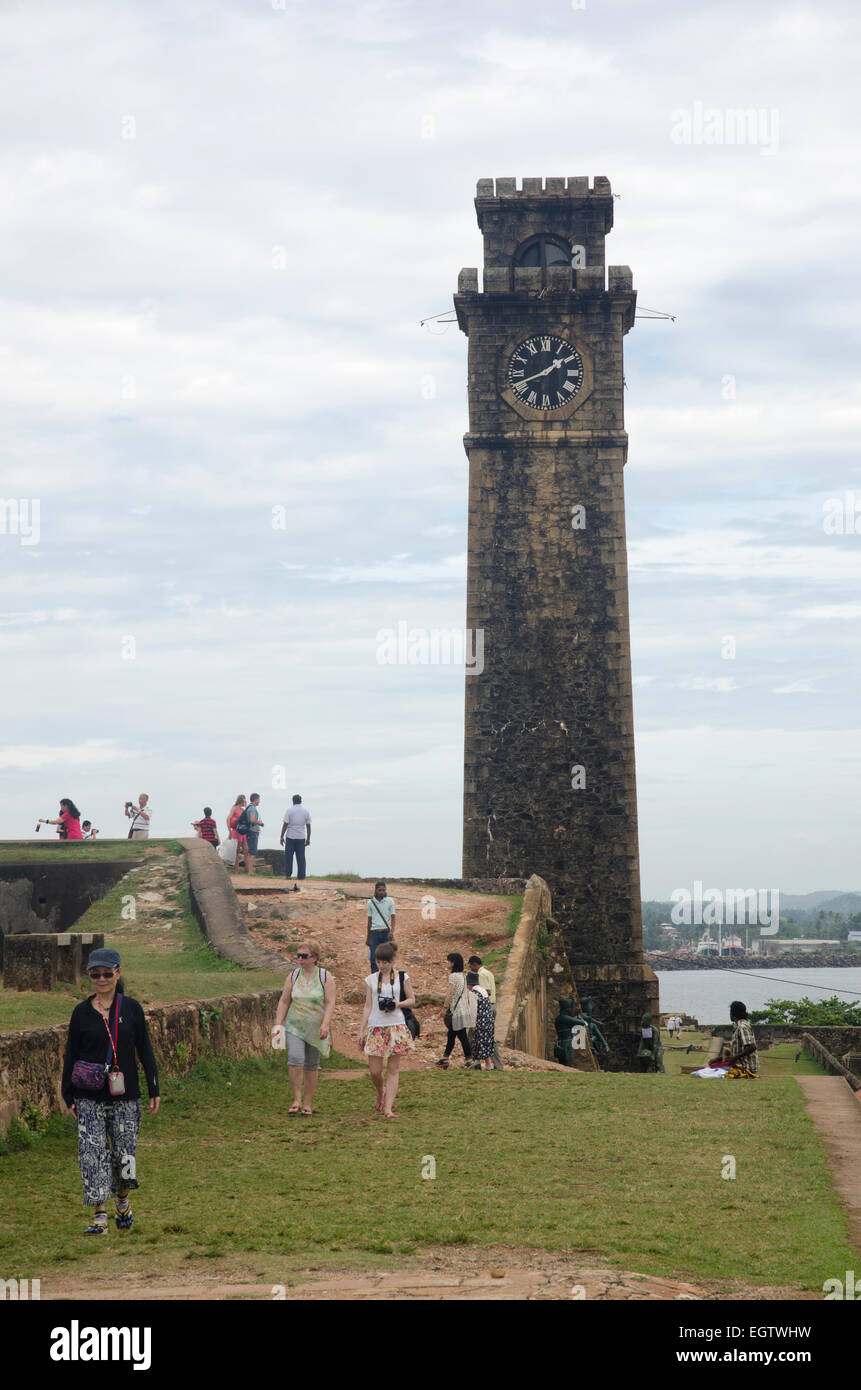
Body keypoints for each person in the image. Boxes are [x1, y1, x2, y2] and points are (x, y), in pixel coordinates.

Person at [61, 948, 160, 1234]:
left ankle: (123, 1199)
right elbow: (71, 1055)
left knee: (124, 1154)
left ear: (118, 972)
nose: (101, 979)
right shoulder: (81, 1012)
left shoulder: (131, 1009)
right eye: (96, 974)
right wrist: (68, 1094)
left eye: (107, 973)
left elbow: (145, 1050)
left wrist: (153, 1087)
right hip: (88, 1095)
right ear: (89, 976)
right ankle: (100, 1215)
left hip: (125, 1096)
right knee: (93, 1154)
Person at [272, 940, 335, 1116]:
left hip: (316, 1028)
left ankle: (307, 1102)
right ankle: (296, 1099)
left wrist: (325, 1024)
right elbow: (284, 1000)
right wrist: (278, 1023)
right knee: (295, 1058)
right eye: (298, 955)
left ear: (314, 958)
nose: (300, 959)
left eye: (304, 956)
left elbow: (330, 1002)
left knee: (311, 1065)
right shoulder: (293, 976)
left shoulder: (324, 976)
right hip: (295, 1026)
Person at [358, 941, 415, 1118]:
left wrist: (398, 1003)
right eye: (379, 962)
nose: (382, 966)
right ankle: (380, 1091)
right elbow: (368, 1005)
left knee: (393, 1069)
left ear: (392, 961)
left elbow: (412, 999)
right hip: (376, 1027)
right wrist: (361, 1029)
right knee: (375, 1071)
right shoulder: (371, 979)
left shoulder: (402, 977)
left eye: (385, 962)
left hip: (396, 1026)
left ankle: (388, 1108)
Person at [436, 952, 472, 1069]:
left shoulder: (453, 976)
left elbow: (450, 993)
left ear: (453, 963)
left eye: (448, 961)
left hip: (455, 1011)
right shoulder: (463, 976)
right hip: (462, 1009)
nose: (447, 963)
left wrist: (444, 1008)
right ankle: (445, 1058)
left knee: (461, 1036)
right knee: (452, 1034)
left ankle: (469, 1059)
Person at [467, 954, 503, 1070]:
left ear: (475, 965)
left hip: (484, 1009)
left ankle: (477, 1063)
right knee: (486, 1037)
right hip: (490, 1007)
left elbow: (487, 991)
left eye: (471, 966)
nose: (471, 969)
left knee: (476, 1038)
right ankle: (489, 1064)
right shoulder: (488, 973)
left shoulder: (480, 975)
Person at [465, 971, 497, 1070]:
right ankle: (477, 1063)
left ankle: (488, 1064)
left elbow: (473, 1010)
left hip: (480, 1020)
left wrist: (473, 1023)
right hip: (488, 1019)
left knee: (479, 1041)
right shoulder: (483, 990)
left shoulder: (473, 993)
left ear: (469, 983)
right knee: (486, 1041)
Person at [280, 794, 311, 889]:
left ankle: (288, 875)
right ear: (301, 801)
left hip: (290, 836)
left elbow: (285, 824)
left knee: (289, 856)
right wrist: (308, 838)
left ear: (293, 801)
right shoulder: (306, 811)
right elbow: (308, 826)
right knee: (301, 857)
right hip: (301, 837)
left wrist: (281, 836)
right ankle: (301, 876)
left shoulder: (289, 811)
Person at [723, 1001, 759, 1078]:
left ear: (733, 1014)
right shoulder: (738, 1026)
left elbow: (752, 1047)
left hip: (746, 1067)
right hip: (739, 1065)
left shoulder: (742, 1027)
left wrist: (734, 1058)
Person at [366, 881, 395, 973]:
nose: (382, 892)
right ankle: (375, 979)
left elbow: (393, 917)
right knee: (373, 958)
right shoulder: (370, 903)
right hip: (374, 933)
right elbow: (369, 921)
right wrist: (368, 937)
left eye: (383, 890)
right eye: (379, 890)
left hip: (386, 933)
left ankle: (388, 977)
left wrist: (392, 932)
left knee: (388, 957)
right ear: (376, 890)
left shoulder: (390, 901)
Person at [227, 794, 249, 873]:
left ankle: (248, 869)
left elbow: (247, 816)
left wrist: (246, 806)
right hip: (236, 831)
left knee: (246, 850)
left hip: (243, 832)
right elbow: (228, 819)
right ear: (241, 800)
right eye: (244, 800)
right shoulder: (234, 808)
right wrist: (229, 831)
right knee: (237, 851)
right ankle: (237, 869)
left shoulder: (243, 810)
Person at [245, 793, 264, 876]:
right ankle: (250, 871)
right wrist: (259, 823)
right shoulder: (252, 808)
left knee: (250, 852)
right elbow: (252, 820)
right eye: (258, 799)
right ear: (255, 799)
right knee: (253, 852)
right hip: (253, 831)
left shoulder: (248, 807)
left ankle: (249, 870)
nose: (259, 801)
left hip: (250, 831)